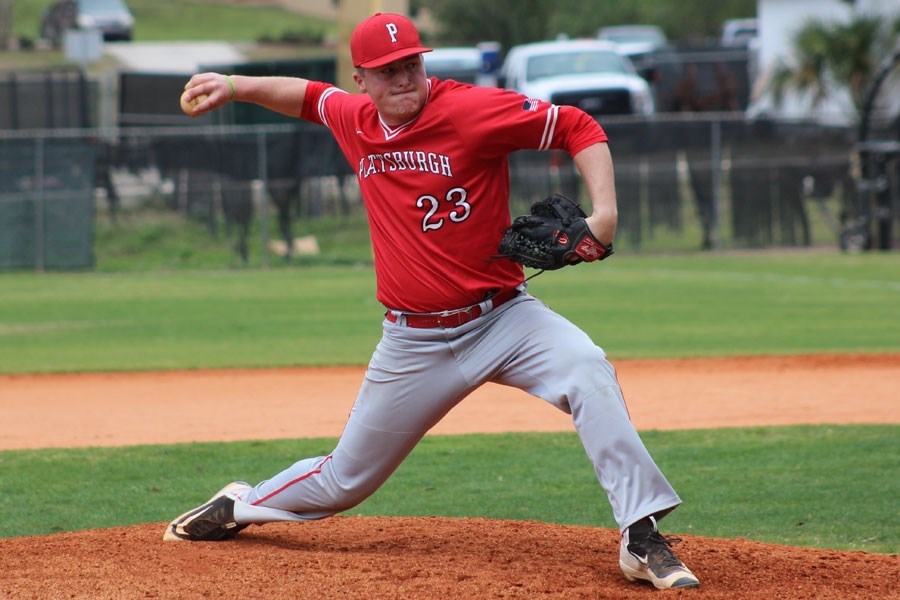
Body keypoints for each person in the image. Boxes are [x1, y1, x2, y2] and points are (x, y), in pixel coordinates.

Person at [164, 13, 700, 591]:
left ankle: (641, 538)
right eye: (387, 71)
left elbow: (576, 125)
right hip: (412, 341)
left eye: (411, 64)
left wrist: (605, 214)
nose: (403, 78)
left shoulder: (469, 111)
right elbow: (307, 97)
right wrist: (235, 83)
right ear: (362, 80)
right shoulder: (355, 118)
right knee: (346, 480)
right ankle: (240, 504)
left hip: (503, 318)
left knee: (586, 367)